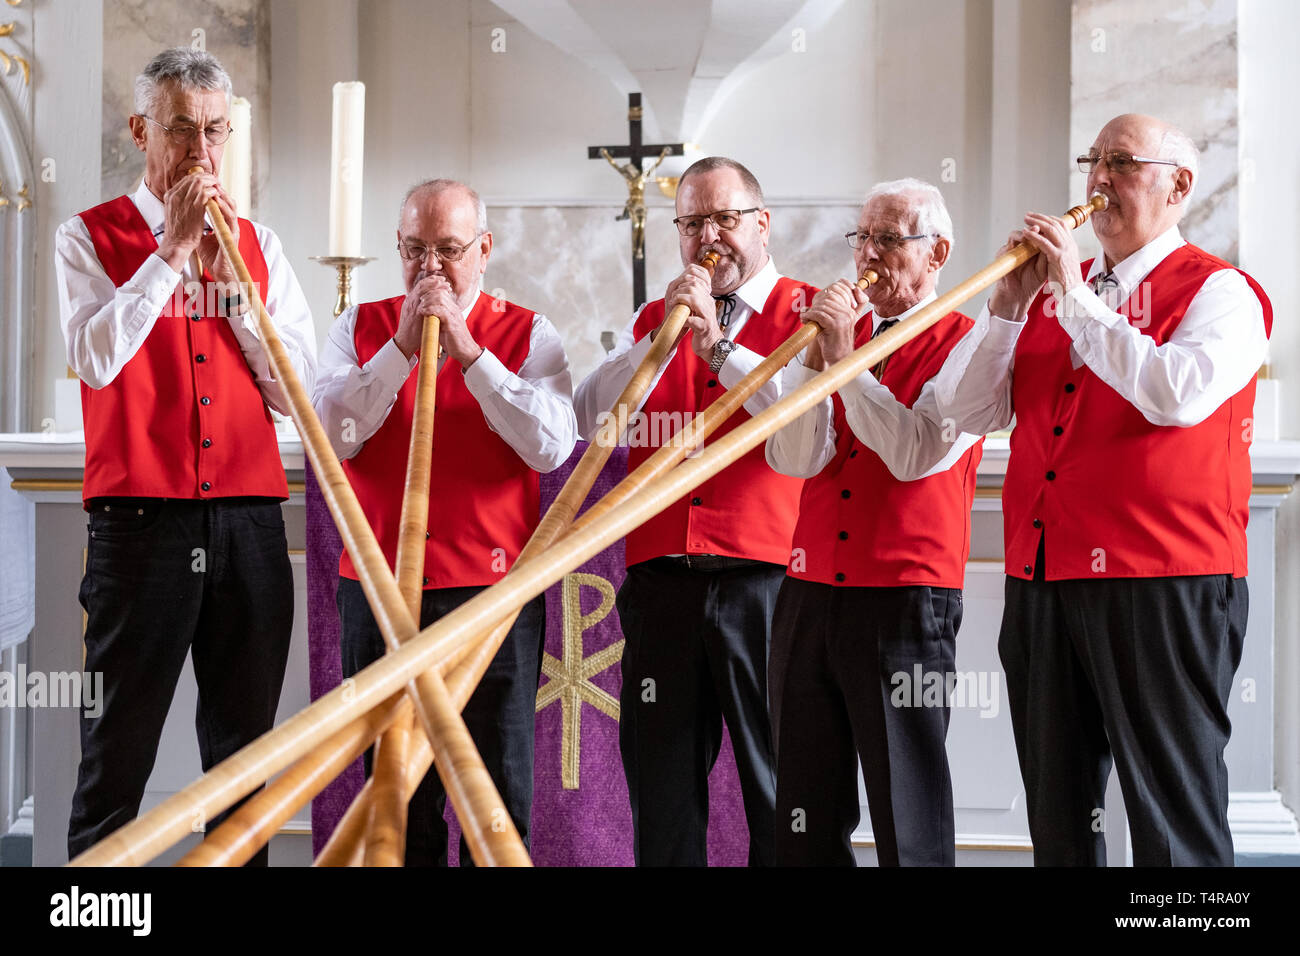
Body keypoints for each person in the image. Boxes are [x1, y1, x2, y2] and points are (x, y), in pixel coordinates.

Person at [928, 114, 1270, 865]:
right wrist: (1008, 312)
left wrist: (1076, 296)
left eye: (1121, 162)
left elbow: (1174, 393)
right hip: (1045, 577)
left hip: (1164, 579)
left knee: (1171, 810)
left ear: (1179, 186)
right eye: (1093, 161)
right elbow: (968, 411)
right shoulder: (1057, 299)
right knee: (1059, 809)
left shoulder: (1225, 292)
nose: (1098, 180)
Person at [56, 47, 316, 865]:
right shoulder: (87, 238)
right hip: (138, 530)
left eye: (215, 132)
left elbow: (295, 394)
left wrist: (234, 291)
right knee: (116, 755)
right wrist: (169, 255)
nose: (202, 154)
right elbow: (95, 358)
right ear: (141, 130)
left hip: (249, 522)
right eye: (180, 130)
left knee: (245, 762)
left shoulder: (260, 245)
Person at [313, 178, 577, 866]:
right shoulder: (357, 326)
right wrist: (399, 349)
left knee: (494, 796)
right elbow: (332, 434)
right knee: (396, 797)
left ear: (483, 249)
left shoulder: (529, 332)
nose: (430, 269)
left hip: (490, 599)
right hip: (379, 592)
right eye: (415, 250)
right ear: (397, 248)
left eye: (450, 251)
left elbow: (550, 447)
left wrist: (471, 353)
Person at [574, 156, 817, 866]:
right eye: (692, 223)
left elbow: (804, 425)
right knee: (662, 790)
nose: (709, 235)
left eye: (726, 219)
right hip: (661, 586)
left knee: (782, 784)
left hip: (769, 581)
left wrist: (718, 345)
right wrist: (664, 336)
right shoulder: (655, 317)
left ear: (762, 225)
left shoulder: (812, 309)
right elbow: (592, 418)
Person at [765, 179, 982, 866]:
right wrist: (810, 360)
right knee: (803, 802)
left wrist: (840, 362)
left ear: (937, 251)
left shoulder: (970, 345)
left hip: (905, 598)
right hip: (808, 592)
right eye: (862, 238)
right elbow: (795, 457)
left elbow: (912, 451)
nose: (869, 254)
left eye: (889, 239)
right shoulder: (839, 341)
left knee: (905, 807)